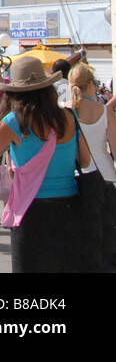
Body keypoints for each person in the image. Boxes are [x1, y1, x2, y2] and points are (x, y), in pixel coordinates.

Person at [0, 56, 95, 273]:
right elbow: (84, 160)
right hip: (70, 207)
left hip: (31, 210)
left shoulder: (13, 122)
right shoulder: (69, 116)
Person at [70, 63, 116, 265]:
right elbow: (115, 148)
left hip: (77, 177)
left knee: (80, 231)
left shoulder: (67, 112)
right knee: (106, 230)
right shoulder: (105, 112)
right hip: (105, 176)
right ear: (90, 84)